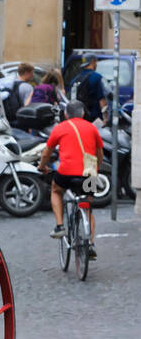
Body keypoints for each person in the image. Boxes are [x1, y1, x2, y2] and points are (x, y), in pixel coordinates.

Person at [39, 100, 103, 256]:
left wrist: (42, 167)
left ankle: (60, 226)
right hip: (89, 171)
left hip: (66, 172)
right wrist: (96, 169)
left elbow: (47, 152)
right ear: (82, 113)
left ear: (66, 114)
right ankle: (91, 244)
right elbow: (99, 153)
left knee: (55, 190)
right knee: (87, 207)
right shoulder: (92, 128)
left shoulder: (60, 128)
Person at [72, 59, 110, 124]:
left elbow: (72, 99)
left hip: (80, 118)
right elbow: (102, 100)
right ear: (93, 62)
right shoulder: (97, 78)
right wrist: (105, 117)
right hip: (95, 118)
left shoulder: (75, 79)